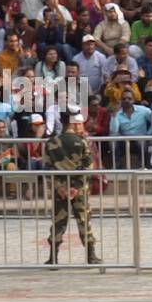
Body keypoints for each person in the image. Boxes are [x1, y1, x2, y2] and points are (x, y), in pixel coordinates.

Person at [44, 113, 101, 265]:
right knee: (84, 220)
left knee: (58, 221)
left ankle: (53, 257)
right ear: (74, 124)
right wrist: (76, 187)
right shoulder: (82, 142)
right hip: (80, 189)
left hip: (59, 190)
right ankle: (91, 255)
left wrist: (60, 187)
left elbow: (47, 168)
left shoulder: (51, 142)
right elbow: (88, 167)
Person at [109, 87, 150, 168]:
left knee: (141, 143)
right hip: (124, 140)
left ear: (134, 100)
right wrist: (114, 116)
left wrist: (149, 133)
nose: (126, 100)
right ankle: (117, 168)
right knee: (113, 139)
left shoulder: (143, 110)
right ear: (121, 101)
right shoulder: (117, 112)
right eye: (124, 99)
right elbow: (114, 131)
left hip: (140, 138)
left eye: (129, 98)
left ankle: (144, 167)